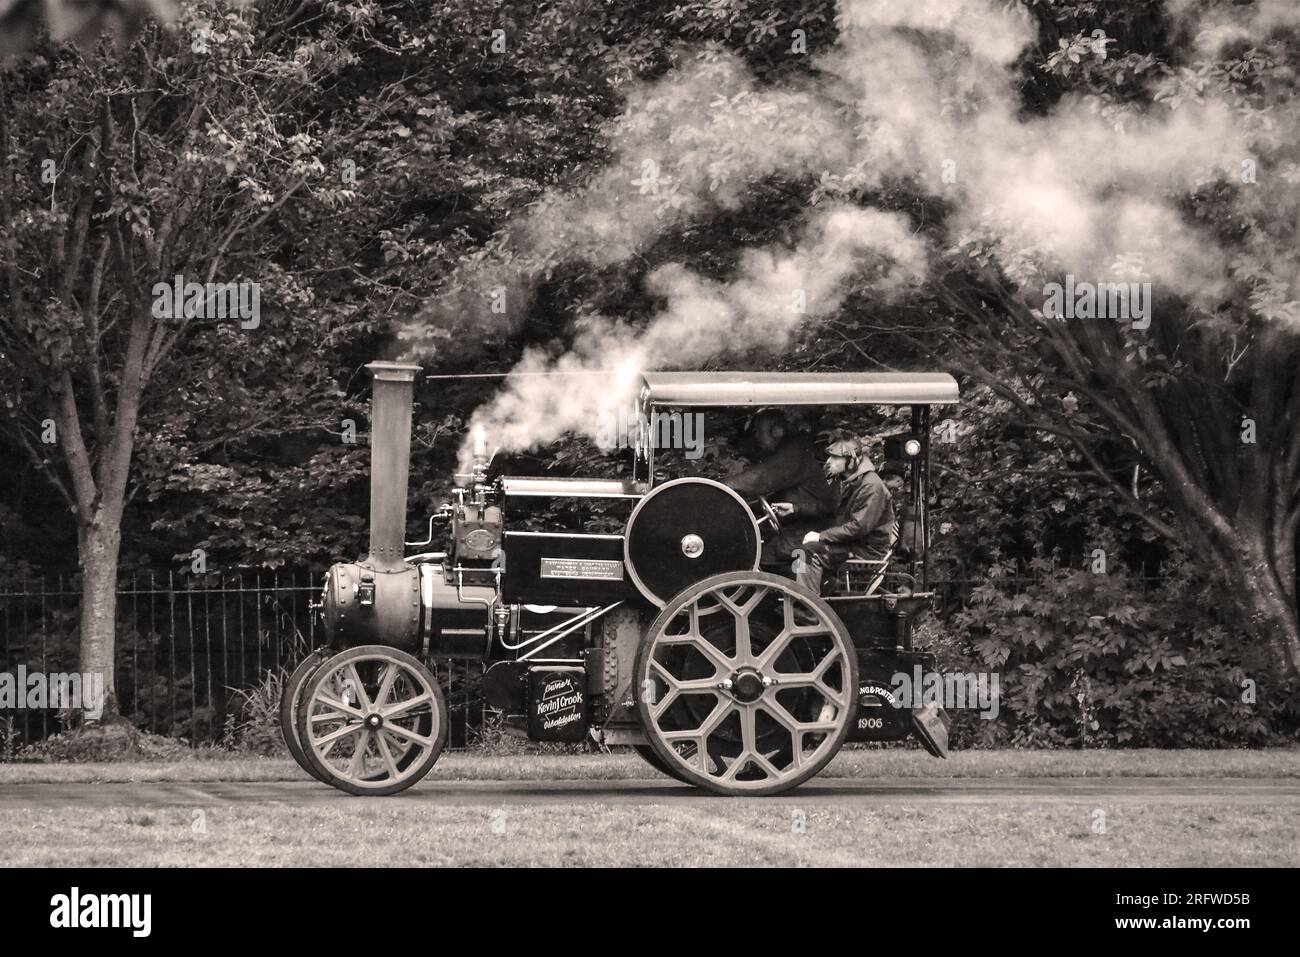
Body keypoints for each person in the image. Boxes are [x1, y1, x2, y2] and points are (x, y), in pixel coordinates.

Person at [727, 409, 838, 563]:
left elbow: (758, 479)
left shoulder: (793, 454)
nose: (756, 436)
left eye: (759, 431)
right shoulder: (787, 452)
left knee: (761, 555)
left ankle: (799, 585)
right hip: (800, 523)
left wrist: (714, 488)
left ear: (777, 431)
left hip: (812, 529)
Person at [795, 434, 896, 596]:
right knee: (799, 550)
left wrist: (821, 536)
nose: (829, 461)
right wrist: (795, 509)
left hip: (865, 550)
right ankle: (807, 596)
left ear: (851, 461)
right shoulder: (849, 480)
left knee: (806, 553)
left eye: (835, 458)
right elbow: (830, 509)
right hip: (852, 544)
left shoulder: (871, 486)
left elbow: (858, 527)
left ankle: (806, 611)